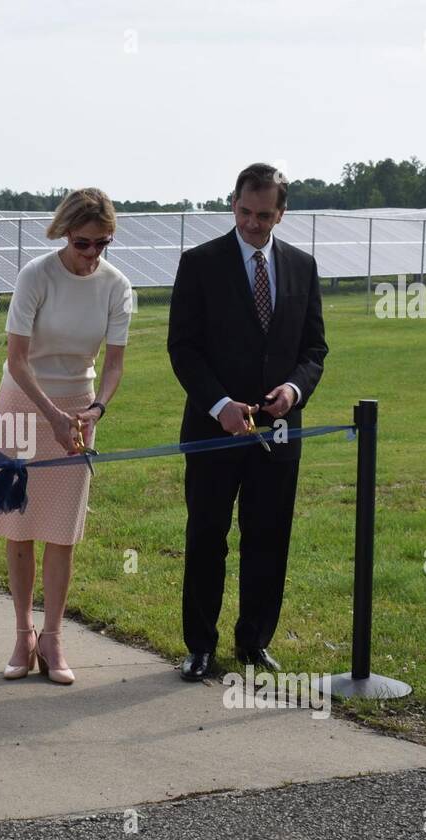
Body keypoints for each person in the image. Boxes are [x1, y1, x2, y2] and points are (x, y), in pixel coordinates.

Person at [166, 163, 328, 681]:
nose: (254, 224)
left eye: (265, 215)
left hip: (279, 435)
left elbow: (314, 348)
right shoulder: (199, 263)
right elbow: (183, 348)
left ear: (282, 213)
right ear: (232, 203)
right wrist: (220, 406)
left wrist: (294, 390)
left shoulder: (303, 267)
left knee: (269, 535)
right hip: (213, 432)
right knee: (207, 536)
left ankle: (255, 642)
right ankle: (201, 648)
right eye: (245, 212)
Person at [0, 188, 132, 685]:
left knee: (62, 530)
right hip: (24, 402)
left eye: (102, 243)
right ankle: (22, 636)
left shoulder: (117, 285)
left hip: (77, 409)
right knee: (20, 526)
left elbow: (113, 363)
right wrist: (49, 413)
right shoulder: (36, 275)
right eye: (83, 242)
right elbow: (17, 357)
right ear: (66, 233)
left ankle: (53, 638)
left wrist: (96, 409)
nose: (92, 254)